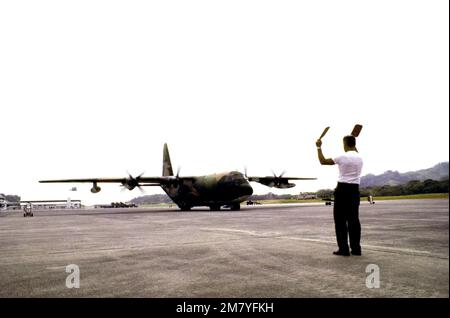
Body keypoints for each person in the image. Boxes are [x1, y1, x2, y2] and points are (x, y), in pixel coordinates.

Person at [316, 135, 363, 256]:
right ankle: (356, 248)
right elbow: (354, 150)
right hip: (355, 190)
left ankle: (344, 248)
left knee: (340, 220)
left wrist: (318, 147)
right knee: (354, 220)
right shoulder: (360, 158)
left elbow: (323, 161)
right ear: (354, 144)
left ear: (344, 144)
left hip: (342, 189)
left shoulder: (342, 157)